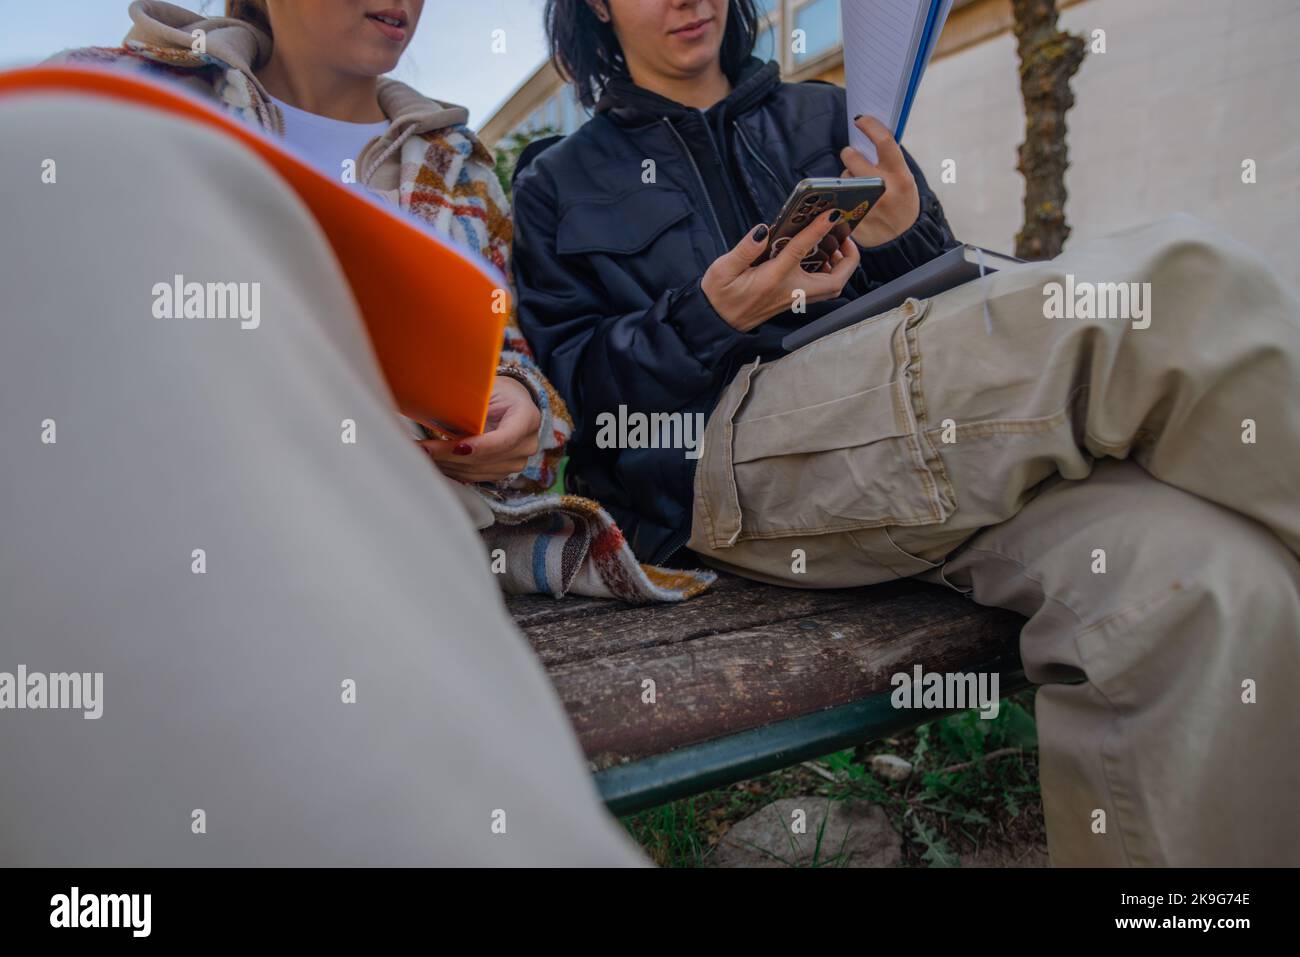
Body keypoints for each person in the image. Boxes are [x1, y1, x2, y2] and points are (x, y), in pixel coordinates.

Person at [510, 0, 1300, 865]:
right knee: (1173, 291)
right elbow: (579, 399)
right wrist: (712, 316)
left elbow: (952, 307)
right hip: (731, 468)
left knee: (1212, 587)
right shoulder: (557, 182)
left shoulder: (831, 116)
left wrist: (906, 233)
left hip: (912, 441)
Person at [48, 0, 712, 602]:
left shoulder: (462, 166)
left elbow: (514, 373)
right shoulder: (117, 98)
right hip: (164, 542)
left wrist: (518, 405)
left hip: (403, 558)